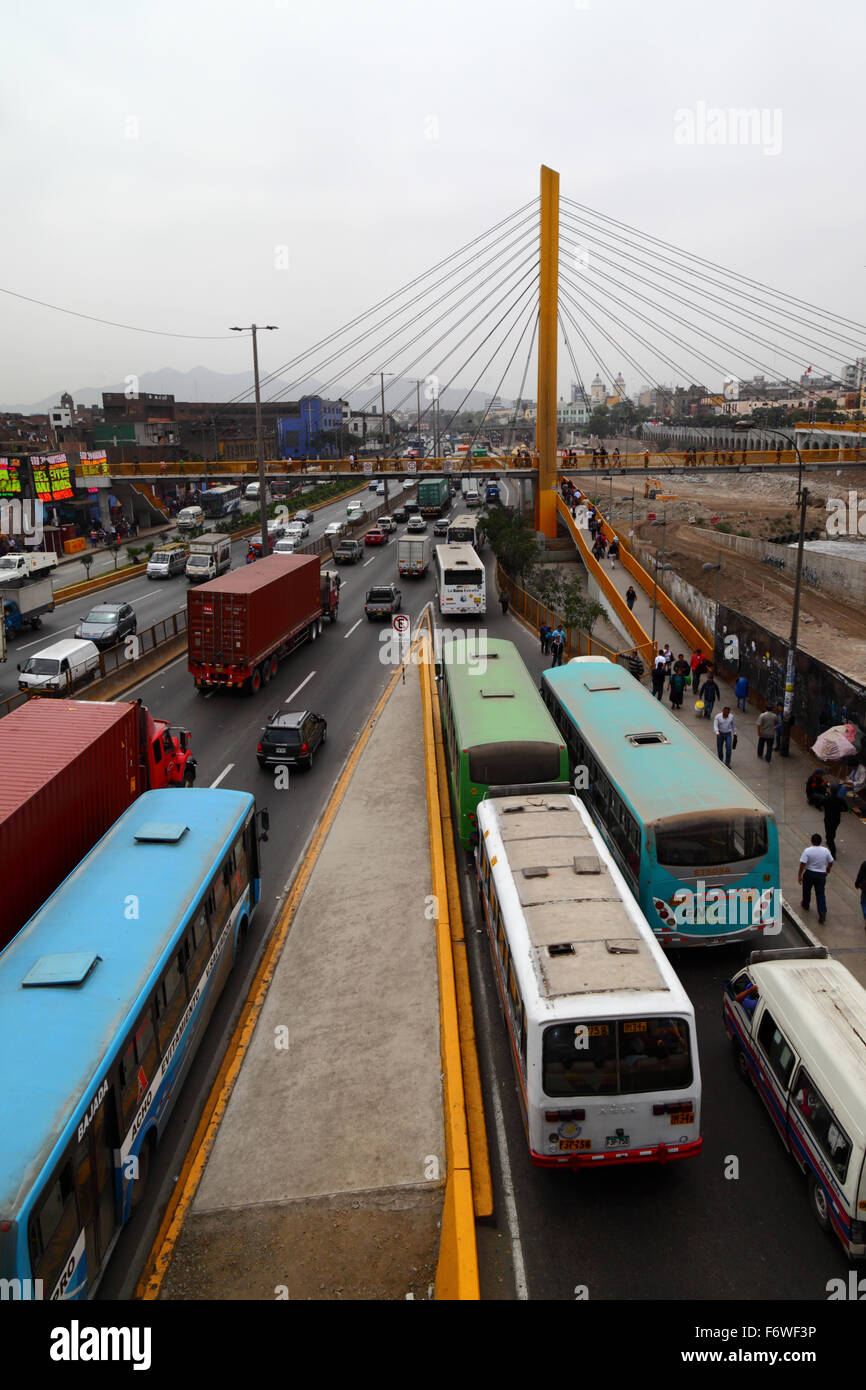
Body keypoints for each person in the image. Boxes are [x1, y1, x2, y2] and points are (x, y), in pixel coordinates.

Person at [798, 833, 833, 924]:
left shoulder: (807, 850)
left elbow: (803, 864)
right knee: (820, 894)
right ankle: (822, 912)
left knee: (806, 890)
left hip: (809, 873)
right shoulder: (825, 850)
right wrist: (828, 869)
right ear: (820, 841)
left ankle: (806, 904)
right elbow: (831, 861)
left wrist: (799, 875)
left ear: (811, 841)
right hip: (821, 875)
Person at [823, 778, 849, 858]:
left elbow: (821, 804)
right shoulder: (840, 800)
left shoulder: (827, 798)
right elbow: (846, 809)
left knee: (828, 832)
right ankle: (829, 840)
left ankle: (833, 852)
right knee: (833, 831)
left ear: (830, 791)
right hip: (836, 819)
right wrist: (839, 809)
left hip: (828, 818)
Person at [855, 861, 866, 929]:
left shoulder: (865, 864)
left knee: (864, 902)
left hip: (865, 888)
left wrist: (857, 883)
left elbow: (860, 874)